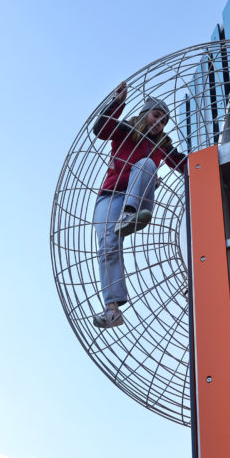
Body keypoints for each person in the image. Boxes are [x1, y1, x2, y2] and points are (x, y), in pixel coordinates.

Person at [90, 81, 186, 328]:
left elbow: (184, 165)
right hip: (110, 196)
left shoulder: (161, 146)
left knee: (146, 165)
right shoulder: (125, 131)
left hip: (138, 198)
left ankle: (131, 215)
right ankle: (113, 310)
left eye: (164, 121)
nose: (159, 123)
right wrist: (118, 102)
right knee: (108, 245)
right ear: (146, 113)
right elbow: (101, 130)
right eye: (156, 115)